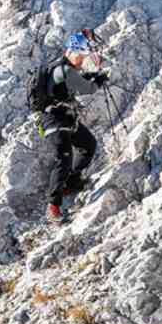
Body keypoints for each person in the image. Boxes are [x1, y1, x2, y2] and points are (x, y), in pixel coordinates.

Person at [31, 29, 111, 221]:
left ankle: (72, 182)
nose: (83, 60)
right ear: (73, 52)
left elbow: (77, 82)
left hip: (64, 118)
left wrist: (93, 76)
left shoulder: (61, 67)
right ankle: (53, 208)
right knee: (63, 159)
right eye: (82, 56)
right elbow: (87, 87)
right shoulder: (66, 70)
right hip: (55, 120)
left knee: (88, 145)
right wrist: (98, 79)